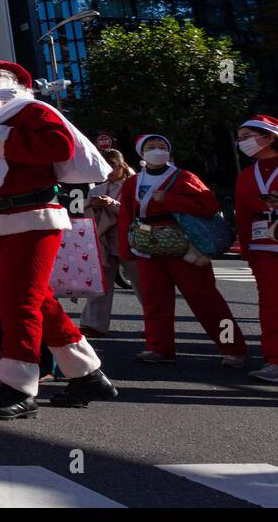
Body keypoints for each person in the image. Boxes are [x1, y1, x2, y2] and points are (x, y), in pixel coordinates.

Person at [0, 58, 116, 419]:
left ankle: (19, 386)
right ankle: (87, 375)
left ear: (6, 83)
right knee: (28, 299)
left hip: (31, 216)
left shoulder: (31, 110)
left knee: (20, 301)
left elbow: (59, 147)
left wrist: (1, 139)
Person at [116, 134, 247, 368]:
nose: (156, 150)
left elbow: (209, 206)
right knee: (154, 301)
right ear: (141, 153)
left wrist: (170, 199)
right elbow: (127, 215)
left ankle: (233, 347)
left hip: (185, 246)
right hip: (148, 245)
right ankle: (159, 348)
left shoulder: (184, 177)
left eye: (161, 146)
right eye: (150, 147)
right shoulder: (133, 182)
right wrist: (126, 250)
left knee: (207, 300)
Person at [233, 115, 278, 383]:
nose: (242, 143)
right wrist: (248, 252)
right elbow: (243, 215)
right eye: (240, 139)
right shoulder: (248, 174)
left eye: (247, 137)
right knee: (271, 305)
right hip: (263, 247)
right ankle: (274, 361)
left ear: (270, 137)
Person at [78, 148, 138, 337]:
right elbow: (85, 214)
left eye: (113, 165)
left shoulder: (135, 185)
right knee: (100, 285)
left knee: (143, 285)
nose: (110, 170)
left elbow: (136, 212)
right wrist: (92, 206)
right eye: (106, 166)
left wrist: (112, 204)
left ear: (122, 166)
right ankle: (93, 324)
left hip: (130, 240)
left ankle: (156, 326)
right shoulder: (96, 189)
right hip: (103, 242)